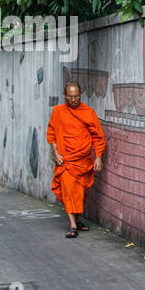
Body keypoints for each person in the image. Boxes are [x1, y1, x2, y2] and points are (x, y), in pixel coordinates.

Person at [46, 82, 106, 238]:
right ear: (64, 96)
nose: (73, 100)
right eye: (70, 97)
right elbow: (51, 133)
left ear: (80, 95)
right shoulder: (58, 111)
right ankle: (72, 225)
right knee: (68, 191)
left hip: (83, 160)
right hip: (65, 160)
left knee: (80, 193)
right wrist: (55, 152)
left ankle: (78, 221)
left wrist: (98, 157)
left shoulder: (88, 112)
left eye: (76, 96)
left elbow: (98, 136)